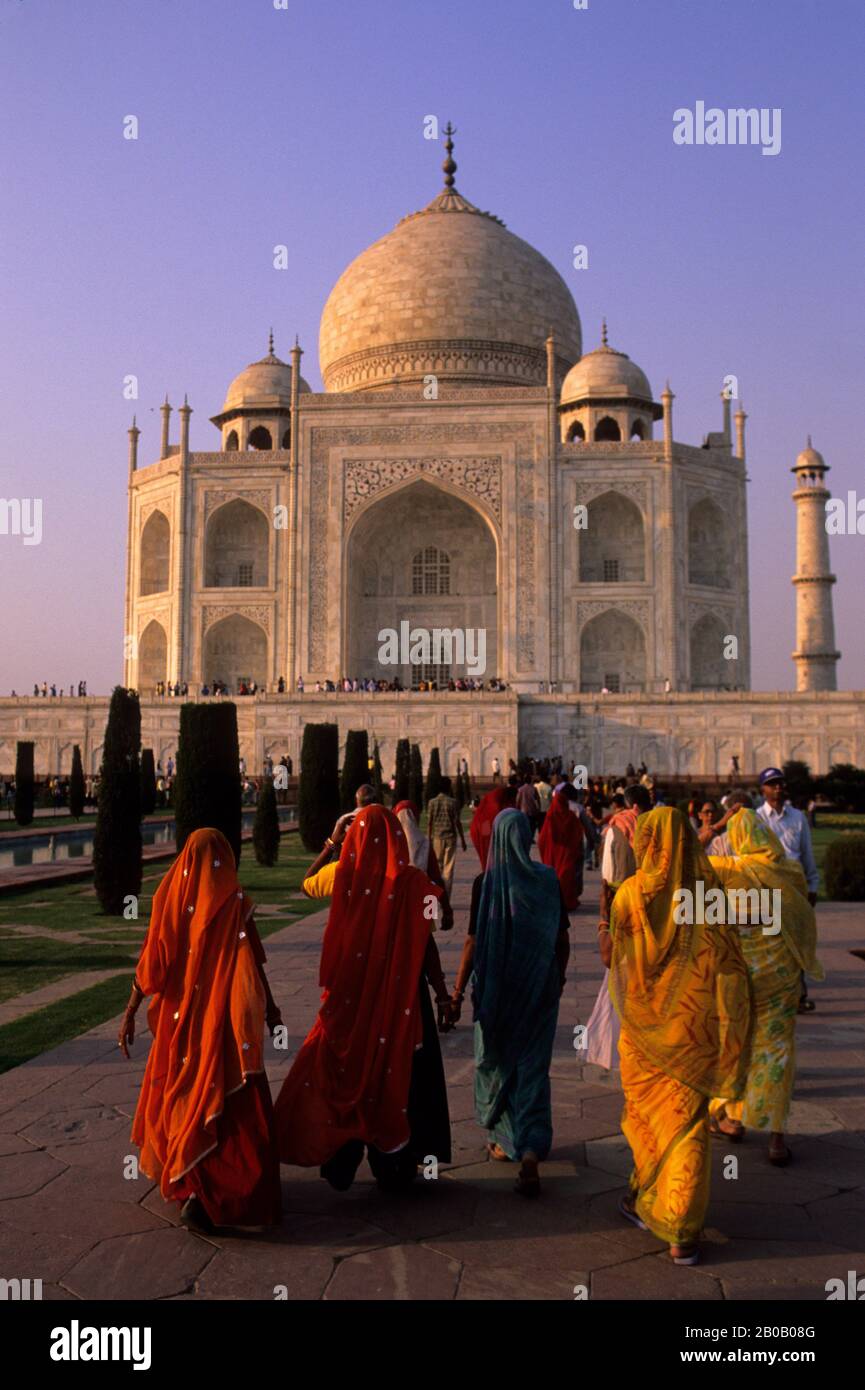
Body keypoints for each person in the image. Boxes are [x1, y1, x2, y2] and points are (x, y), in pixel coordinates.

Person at [599, 807, 751, 1265]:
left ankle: (653, 1202)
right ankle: (681, 1230)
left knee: (649, 1119)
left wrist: (605, 925)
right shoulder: (709, 897)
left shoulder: (630, 895)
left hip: (645, 1032)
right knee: (687, 1126)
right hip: (693, 1029)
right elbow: (729, 965)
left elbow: (613, 960)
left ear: (648, 844)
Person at [274, 804, 453, 1191]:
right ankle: (394, 1162)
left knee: (347, 1071)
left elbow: (306, 884)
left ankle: (343, 1156)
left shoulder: (344, 873)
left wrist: (331, 843)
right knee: (397, 1074)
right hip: (402, 999)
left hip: (350, 1001)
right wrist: (442, 995)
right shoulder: (413, 883)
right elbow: (427, 944)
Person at [119, 828, 283, 1233]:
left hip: (184, 1032)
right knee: (229, 1108)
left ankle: (192, 1188)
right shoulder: (234, 904)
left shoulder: (172, 901)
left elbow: (152, 966)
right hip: (225, 1031)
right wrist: (271, 1012)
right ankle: (228, 1197)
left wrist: (130, 1011)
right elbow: (253, 965)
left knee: (185, 1103)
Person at [451, 808, 569, 1196]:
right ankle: (532, 1148)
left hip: (497, 993)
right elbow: (560, 939)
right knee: (532, 1068)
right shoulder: (547, 880)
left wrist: (455, 991)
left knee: (498, 1063)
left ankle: (504, 1141)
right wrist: (556, 980)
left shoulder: (486, 883)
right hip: (539, 989)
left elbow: (471, 943)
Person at [708, 808, 823, 1165]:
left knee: (734, 1042)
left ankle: (730, 1116)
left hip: (741, 977)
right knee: (776, 1052)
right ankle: (776, 1139)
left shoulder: (729, 870)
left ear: (738, 838)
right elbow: (801, 913)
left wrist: (711, 827)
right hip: (782, 976)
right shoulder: (789, 869)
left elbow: (686, 868)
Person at [755, 767, 819, 1013]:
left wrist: (813, 885)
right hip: (767, 892)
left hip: (795, 891)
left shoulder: (797, 817)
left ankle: (798, 996)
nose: (778, 788)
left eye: (780, 783)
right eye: (772, 784)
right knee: (770, 944)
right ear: (763, 789)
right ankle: (772, 997)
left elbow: (807, 854)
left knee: (796, 945)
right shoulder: (757, 818)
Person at [394, 799, 454, 930]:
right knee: (426, 939)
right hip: (425, 900)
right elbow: (436, 880)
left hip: (396, 905)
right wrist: (446, 910)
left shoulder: (390, 844)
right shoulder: (424, 844)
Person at [600, 783, 651, 919]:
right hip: (650, 895)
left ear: (632, 805)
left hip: (622, 893)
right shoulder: (658, 824)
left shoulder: (617, 825)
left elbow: (608, 869)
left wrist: (606, 893)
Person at [538, 783, 585, 910]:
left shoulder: (550, 816)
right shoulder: (570, 816)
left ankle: (554, 902)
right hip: (567, 853)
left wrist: (545, 851)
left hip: (552, 854)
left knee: (554, 877)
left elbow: (542, 839)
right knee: (566, 877)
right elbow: (578, 835)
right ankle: (567, 902)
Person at [426, 776, 466, 898]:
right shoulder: (453, 802)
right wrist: (463, 839)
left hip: (437, 838)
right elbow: (457, 822)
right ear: (448, 787)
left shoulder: (432, 802)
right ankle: (445, 896)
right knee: (448, 869)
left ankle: (437, 893)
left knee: (437, 868)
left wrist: (428, 839)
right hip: (450, 837)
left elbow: (430, 823)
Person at [470, 779, 518, 869]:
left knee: (490, 854)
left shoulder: (499, 797)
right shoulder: (496, 801)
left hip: (483, 825)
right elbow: (495, 816)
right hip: (484, 826)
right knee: (487, 851)